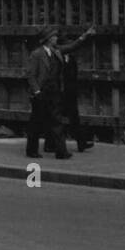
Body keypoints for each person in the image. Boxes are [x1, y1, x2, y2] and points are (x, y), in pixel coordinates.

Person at [44, 26, 97, 153]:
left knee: (74, 118)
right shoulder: (56, 54)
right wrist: (85, 35)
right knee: (55, 120)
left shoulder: (70, 58)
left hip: (69, 92)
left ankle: (81, 143)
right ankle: (50, 145)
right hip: (58, 92)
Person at [25, 27, 71, 159]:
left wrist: (84, 37)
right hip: (41, 92)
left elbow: (72, 46)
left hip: (54, 91)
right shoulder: (36, 54)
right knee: (36, 122)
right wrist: (37, 91)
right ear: (48, 40)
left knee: (57, 121)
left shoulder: (55, 52)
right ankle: (31, 150)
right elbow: (31, 74)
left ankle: (61, 152)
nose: (56, 38)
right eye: (54, 37)